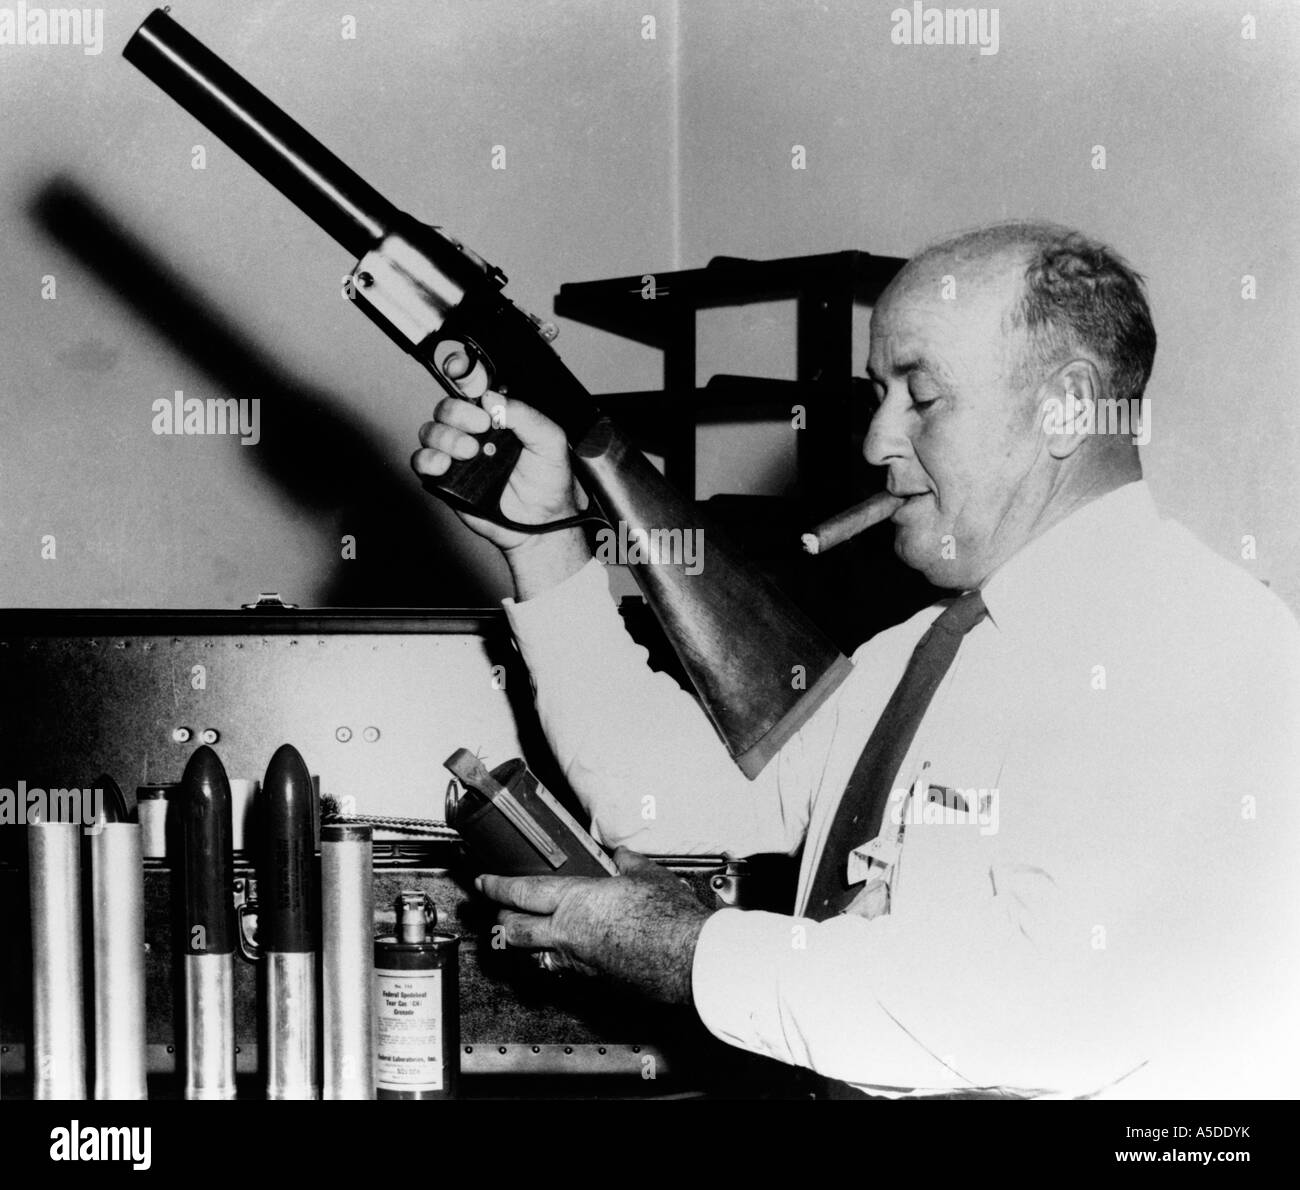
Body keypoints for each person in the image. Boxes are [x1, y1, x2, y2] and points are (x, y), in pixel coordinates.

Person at [412, 221, 1300, 1098]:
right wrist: (547, 547)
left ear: (1066, 406)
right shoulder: (925, 650)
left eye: (921, 396)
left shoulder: (1200, 646)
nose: (877, 441)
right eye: (880, 393)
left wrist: (691, 953)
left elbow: (1042, 1011)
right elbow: (668, 798)